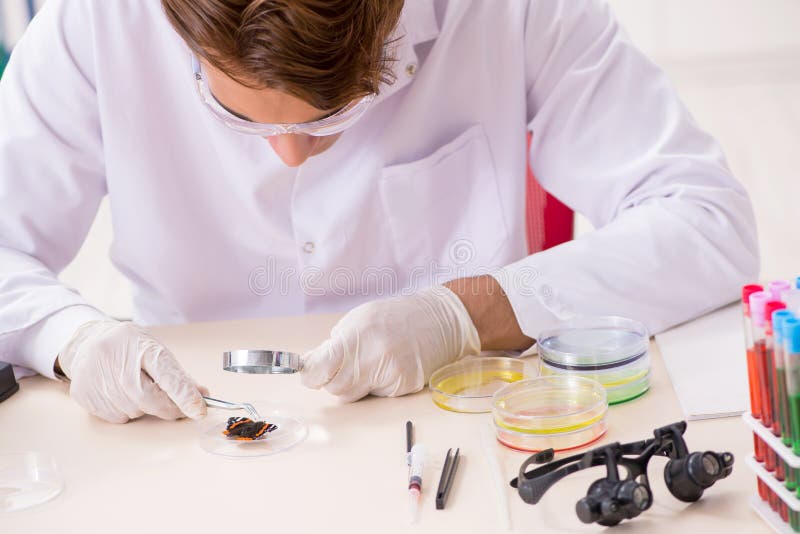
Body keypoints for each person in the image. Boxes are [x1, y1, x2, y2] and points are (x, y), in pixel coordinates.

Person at [0, 0, 758, 423]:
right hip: (190, 427)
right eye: (245, 123)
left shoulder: (509, 12)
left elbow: (707, 222)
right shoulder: (93, 24)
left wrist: (466, 315)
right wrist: (72, 338)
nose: (291, 158)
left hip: (457, 426)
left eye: (334, 116)